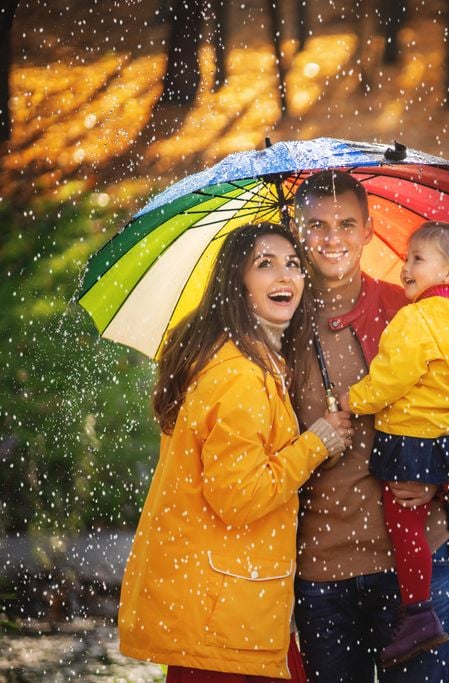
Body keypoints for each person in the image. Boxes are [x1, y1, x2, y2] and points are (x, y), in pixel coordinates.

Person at [289, 171, 449, 683]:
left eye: (347, 223)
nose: (332, 238)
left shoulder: (419, 308)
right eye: (317, 225)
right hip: (322, 573)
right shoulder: (279, 320)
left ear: (369, 230)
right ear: (298, 230)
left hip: (416, 569)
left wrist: (443, 476)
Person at [118, 223, 352, 682]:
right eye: (264, 265)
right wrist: (316, 443)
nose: (285, 276)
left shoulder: (250, 362)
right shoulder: (240, 377)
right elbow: (238, 497)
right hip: (225, 622)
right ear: (237, 285)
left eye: (293, 264)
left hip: (233, 612)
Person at [339, 219, 449, 667]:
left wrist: (354, 400)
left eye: (417, 259)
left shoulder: (415, 319)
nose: (406, 267)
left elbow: (390, 380)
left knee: (404, 523)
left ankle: (417, 614)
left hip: (412, 438)